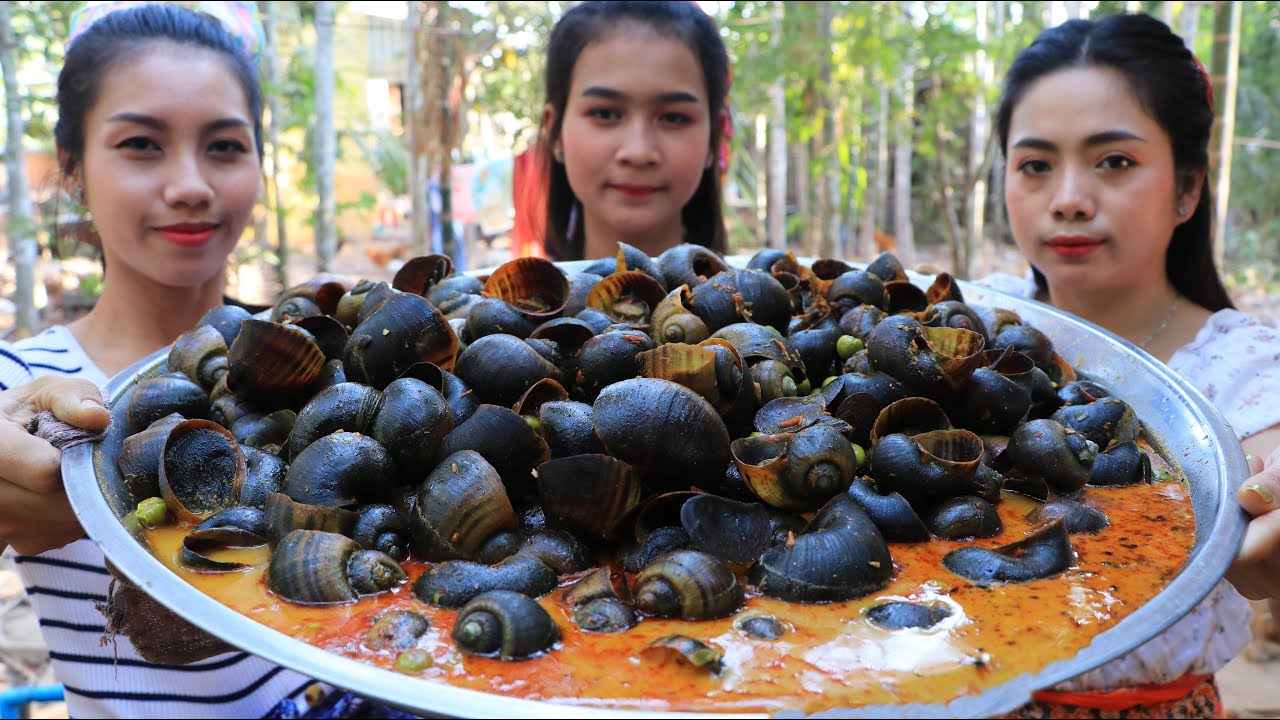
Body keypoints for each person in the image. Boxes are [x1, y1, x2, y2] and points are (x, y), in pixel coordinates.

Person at [0, 3, 369, 717]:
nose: (191, 184)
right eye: (141, 144)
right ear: (72, 168)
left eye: (226, 146)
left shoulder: (323, 359)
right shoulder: (25, 386)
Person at [985, 12, 1280, 718]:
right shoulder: (971, 334)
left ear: (1187, 189)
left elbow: (1264, 467)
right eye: (1035, 165)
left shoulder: (1244, 368)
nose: (1068, 200)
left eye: (1114, 161)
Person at [537, 0, 731, 262]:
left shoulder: (779, 300)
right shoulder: (494, 300)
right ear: (554, 131)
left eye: (673, 118)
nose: (638, 152)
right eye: (605, 114)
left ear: (713, 137)